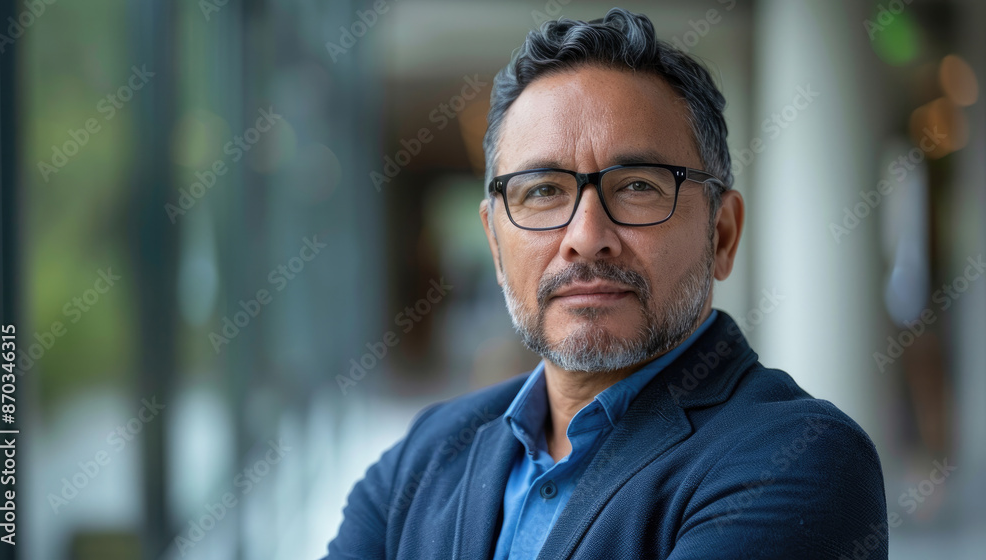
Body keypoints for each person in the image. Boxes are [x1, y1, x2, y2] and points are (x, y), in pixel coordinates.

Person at [326, 8, 887, 559]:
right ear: (496, 245)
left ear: (721, 234)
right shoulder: (425, 454)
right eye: (543, 190)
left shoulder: (799, 458)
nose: (586, 236)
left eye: (638, 185)